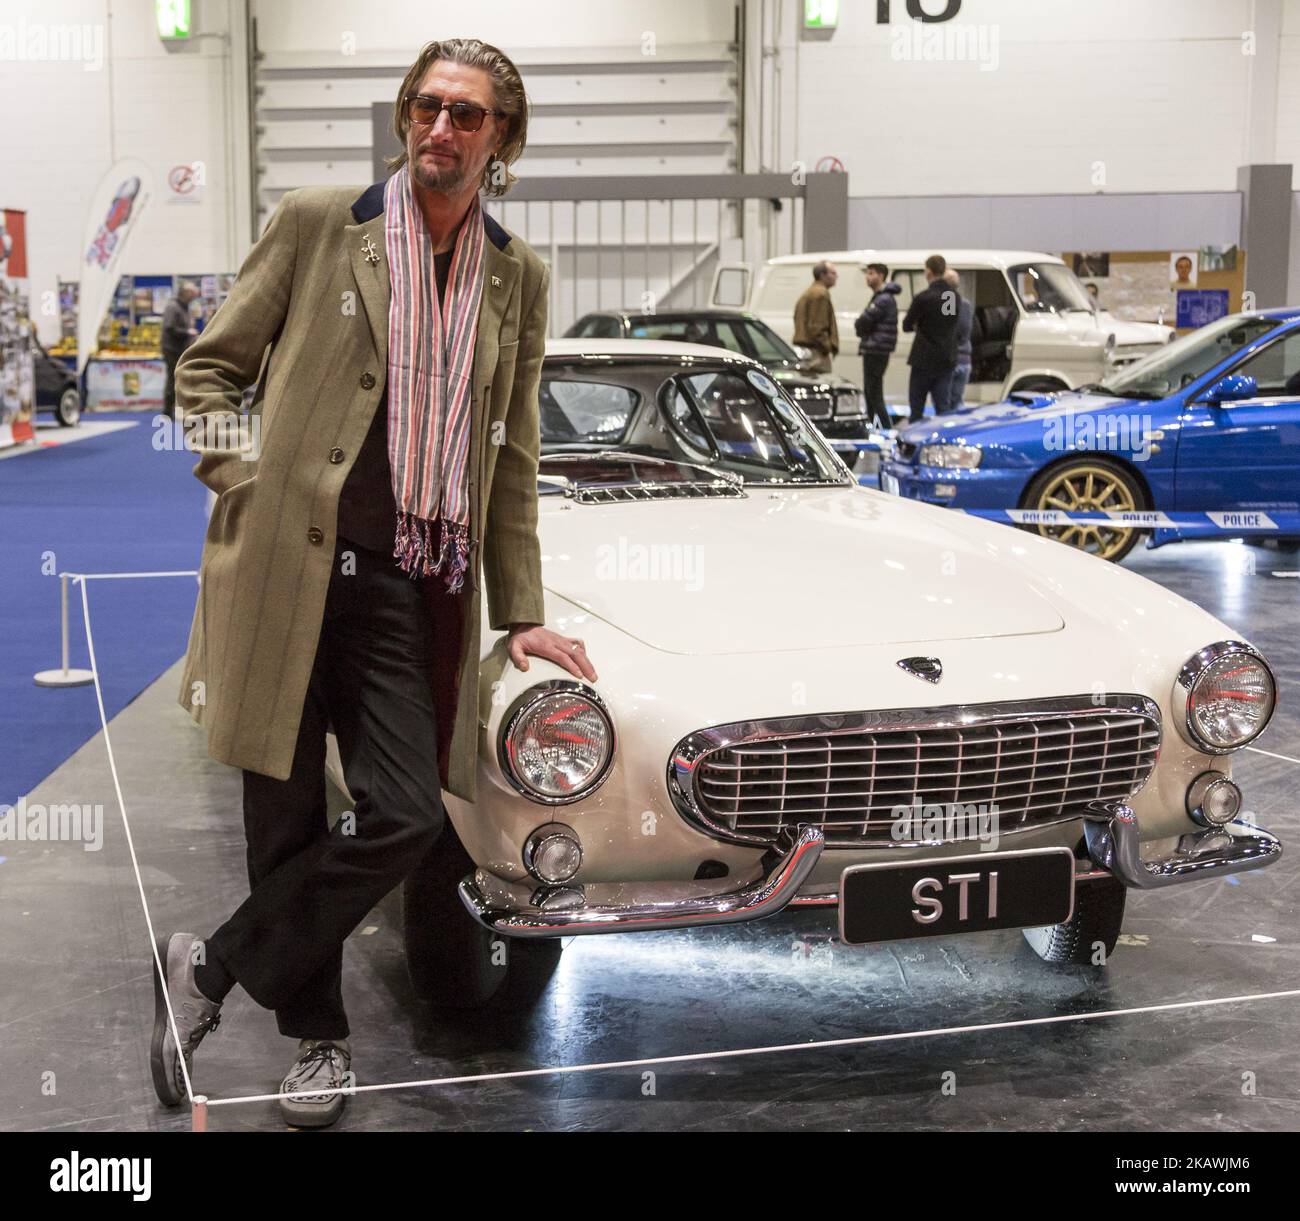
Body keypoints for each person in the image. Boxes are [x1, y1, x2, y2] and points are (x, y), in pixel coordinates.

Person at [152, 37, 598, 1130]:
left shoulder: (515, 275)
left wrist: (525, 607)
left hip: (411, 583)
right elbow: (204, 373)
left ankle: (207, 967)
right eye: (428, 108)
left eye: (468, 116)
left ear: (502, 139)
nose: (442, 131)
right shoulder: (319, 224)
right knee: (288, 819)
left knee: (404, 810)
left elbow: (514, 453)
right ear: (406, 116)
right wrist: (248, 478)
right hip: (285, 582)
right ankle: (318, 1043)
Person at [901, 253, 959, 422]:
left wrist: (920, 325)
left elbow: (906, 325)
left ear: (928, 272)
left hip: (924, 358)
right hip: (946, 358)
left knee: (917, 406)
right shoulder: (953, 297)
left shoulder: (924, 297)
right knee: (943, 407)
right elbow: (949, 322)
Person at [853, 262, 900, 428]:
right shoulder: (882, 297)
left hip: (876, 349)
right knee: (871, 391)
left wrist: (859, 327)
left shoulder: (883, 299)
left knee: (874, 391)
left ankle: (886, 427)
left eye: (871, 273)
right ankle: (872, 425)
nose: (868, 277)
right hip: (877, 348)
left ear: (881, 276)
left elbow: (863, 322)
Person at [160, 280, 199, 420]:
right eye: (192, 294)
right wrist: (188, 332)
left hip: (180, 349)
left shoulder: (183, 307)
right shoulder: (173, 307)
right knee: (172, 380)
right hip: (172, 349)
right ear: (186, 293)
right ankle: (166, 413)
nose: (194, 297)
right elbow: (169, 328)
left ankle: (174, 411)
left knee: (178, 380)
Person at [793, 261, 839, 375]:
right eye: (833, 273)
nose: (836, 276)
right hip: (816, 352)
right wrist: (826, 347)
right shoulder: (820, 294)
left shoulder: (811, 291)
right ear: (822, 275)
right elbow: (817, 327)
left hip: (808, 350)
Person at [942, 267, 973, 413]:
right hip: (965, 360)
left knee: (946, 404)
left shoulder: (947, 302)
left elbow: (948, 330)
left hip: (951, 360)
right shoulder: (966, 304)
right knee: (958, 401)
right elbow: (965, 329)